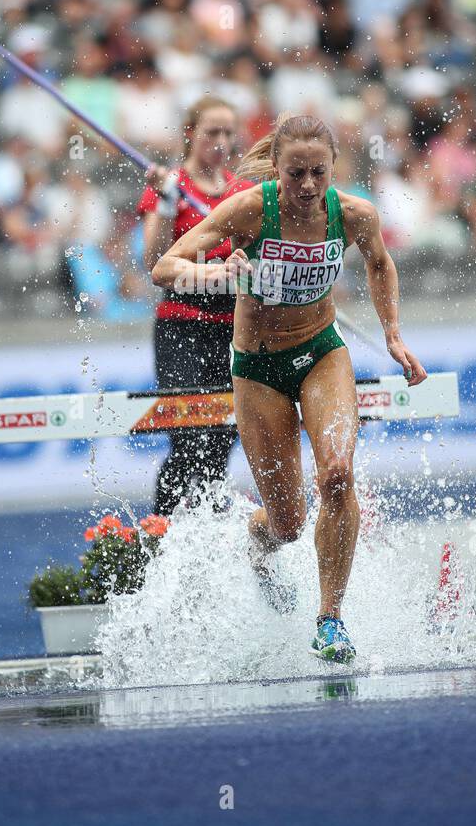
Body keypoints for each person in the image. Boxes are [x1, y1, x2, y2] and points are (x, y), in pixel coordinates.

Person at [151, 112, 427, 663]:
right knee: (288, 524)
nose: (306, 187)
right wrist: (217, 277)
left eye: (318, 174)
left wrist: (393, 336)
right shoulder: (251, 209)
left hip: (322, 355)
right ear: (275, 170)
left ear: (332, 169)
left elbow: (380, 264)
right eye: (295, 173)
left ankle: (330, 619)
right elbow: (164, 267)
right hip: (258, 370)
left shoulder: (353, 215)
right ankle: (260, 543)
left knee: (338, 475)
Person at [139, 96, 250, 515]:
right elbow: (153, 263)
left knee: (222, 441)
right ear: (191, 134)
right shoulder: (170, 187)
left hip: (234, 328)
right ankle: (159, 534)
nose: (221, 142)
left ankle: (210, 544)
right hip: (182, 325)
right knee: (187, 435)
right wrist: (168, 204)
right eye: (211, 133)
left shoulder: (242, 192)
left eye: (227, 133)